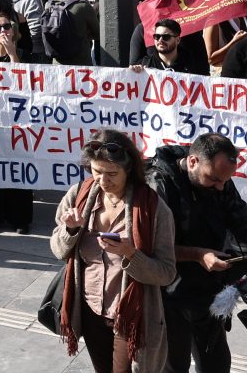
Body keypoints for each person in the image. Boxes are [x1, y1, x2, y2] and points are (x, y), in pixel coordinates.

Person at [147, 133, 247, 373]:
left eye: (225, 181)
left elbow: (239, 217)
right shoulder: (158, 183)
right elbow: (151, 246)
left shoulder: (220, 179)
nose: (220, 187)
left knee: (216, 364)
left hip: (209, 290)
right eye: (213, 180)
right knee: (173, 365)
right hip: (168, 295)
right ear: (193, 162)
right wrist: (197, 255)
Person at [48, 130, 176, 373]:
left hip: (129, 315)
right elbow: (57, 249)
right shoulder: (78, 196)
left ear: (128, 170)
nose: (103, 181)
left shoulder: (154, 209)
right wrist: (70, 231)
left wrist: (131, 254)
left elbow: (166, 273)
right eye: (97, 172)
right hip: (89, 310)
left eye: (112, 174)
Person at [0, 13, 44, 233]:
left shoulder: (24, 55)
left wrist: (13, 56)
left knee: (18, 169)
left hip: (18, 125)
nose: (3, 30)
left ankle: (20, 219)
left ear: (13, 31)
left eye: (7, 26)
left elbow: (26, 85)